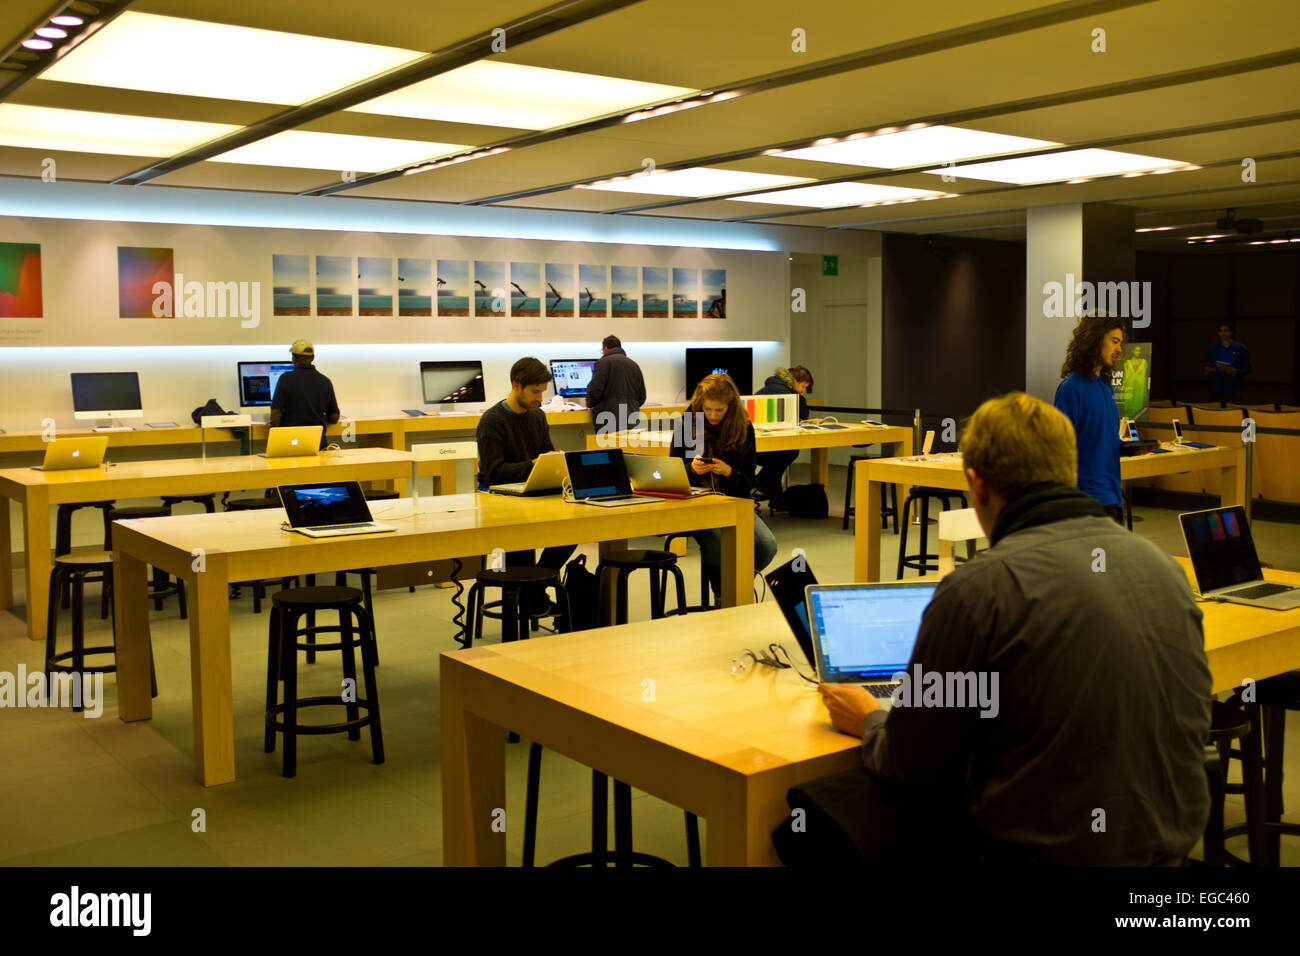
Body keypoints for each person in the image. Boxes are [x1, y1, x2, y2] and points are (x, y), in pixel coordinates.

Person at [774, 393, 1211, 866]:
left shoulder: (979, 590)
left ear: (977, 485)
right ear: (1069, 468)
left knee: (813, 817)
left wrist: (867, 719)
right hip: (1167, 848)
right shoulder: (1164, 569)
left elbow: (908, 765)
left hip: (1041, 854)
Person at [670, 373, 778, 603]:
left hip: (733, 501)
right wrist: (692, 470)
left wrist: (729, 472)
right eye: (708, 410)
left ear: (730, 407)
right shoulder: (687, 424)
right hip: (696, 503)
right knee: (717, 542)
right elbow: (672, 473)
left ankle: (735, 583)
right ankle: (724, 594)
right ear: (700, 405)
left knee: (767, 546)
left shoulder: (743, 428)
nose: (713, 415)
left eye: (719, 410)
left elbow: (750, 482)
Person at [476, 357, 576, 574]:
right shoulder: (492, 421)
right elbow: (494, 474)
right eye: (535, 392)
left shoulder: (538, 417)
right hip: (497, 497)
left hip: (529, 493)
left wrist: (553, 461)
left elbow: (546, 454)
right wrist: (533, 464)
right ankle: (533, 590)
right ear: (516, 385)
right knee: (520, 547)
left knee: (574, 530)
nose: (539, 399)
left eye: (542, 392)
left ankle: (536, 584)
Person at [1053, 315, 1125, 522]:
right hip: (1086, 500)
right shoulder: (1070, 389)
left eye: (1120, 343)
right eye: (1114, 341)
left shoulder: (1106, 387)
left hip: (1112, 494)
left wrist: (1129, 448)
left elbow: (1102, 440)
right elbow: (1060, 448)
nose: (1119, 350)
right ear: (1095, 339)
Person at [754, 365, 814, 504]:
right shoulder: (786, 394)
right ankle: (763, 484)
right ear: (794, 381)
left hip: (756, 444)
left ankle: (771, 492)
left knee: (785, 455)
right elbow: (802, 416)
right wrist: (800, 398)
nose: (803, 391)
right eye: (803, 386)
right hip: (764, 447)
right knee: (790, 451)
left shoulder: (770, 388)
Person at [270, 339, 339, 449]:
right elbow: (334, 417)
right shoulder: (325, 381)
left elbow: (275, 414)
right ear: (312, 358)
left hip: (290, 443)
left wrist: (274, 439)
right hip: (317, 444)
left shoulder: (285, 379)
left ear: (293, 358)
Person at [586, 334, 646, 434]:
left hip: (607, 420)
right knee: (627, 448)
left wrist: (590, 404)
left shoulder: (603, 363)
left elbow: (594, 391)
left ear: (605, 348)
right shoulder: (634, 364)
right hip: (631, 419)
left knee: (609, 448)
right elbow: (642, 396)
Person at [1203, 321, 1251, 403]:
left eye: (1226, 331)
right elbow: (1207, 365)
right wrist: (1208, 369)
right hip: (1217, 388)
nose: (1223, 333)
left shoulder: (1240, 348)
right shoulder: (1212, 348)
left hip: (1234, 389)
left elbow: (1248, 368)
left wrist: (1235, 371)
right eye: (1221, 331)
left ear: (1231, 332)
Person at [1121, 344, 1149, 421]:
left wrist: (1145, 391)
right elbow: (1125, 376)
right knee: (1128, 409)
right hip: (1129, 386)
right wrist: (1123, 389)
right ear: (1133, 351)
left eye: (1139, 350)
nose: (1138, 352)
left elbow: (1145, 376)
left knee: (1137, 409)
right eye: (1136, 350)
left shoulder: (1144, 362)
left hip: (1140, 387)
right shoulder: (1127, 363)